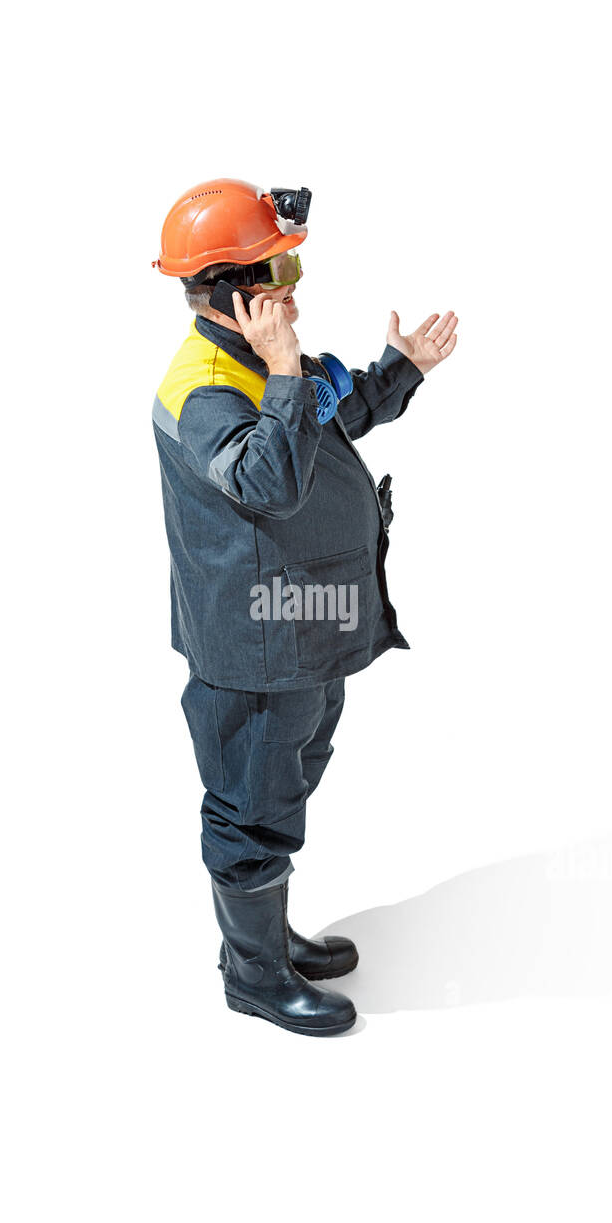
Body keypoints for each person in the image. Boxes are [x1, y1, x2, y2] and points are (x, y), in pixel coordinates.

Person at [151, 178, 458, 1037]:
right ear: (224, 290)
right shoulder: (205, 389)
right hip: (252, 644)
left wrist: (403, 371)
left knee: (287, 779)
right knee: (252, 800)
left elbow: (330, 413)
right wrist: (284, 367)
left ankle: (267, 932)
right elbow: (272, 483)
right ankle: (253, 974)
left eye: (289, 262)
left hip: (303, 627)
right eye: (273, 268)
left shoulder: (264, 363)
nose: (290, 285)